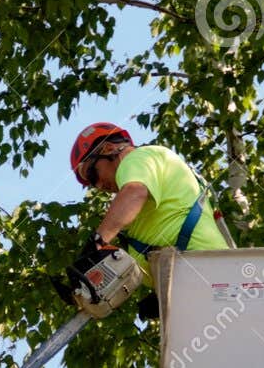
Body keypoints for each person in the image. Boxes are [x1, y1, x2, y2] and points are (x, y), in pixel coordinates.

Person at [62, 123, 228, 315]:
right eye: (92, 184)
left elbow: (134, 192)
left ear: (108, 148)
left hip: (203, 270)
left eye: (92, 174)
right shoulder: (155, 168)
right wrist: (160, 292)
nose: (98, 185)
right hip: (203, 275)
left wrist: (97, 242)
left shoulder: (136, 159)